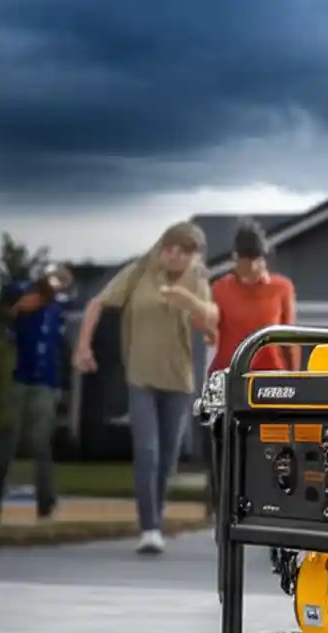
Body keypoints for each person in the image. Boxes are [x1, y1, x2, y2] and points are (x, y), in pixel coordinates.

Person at [73, 221, 217, 555]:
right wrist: (83, 347)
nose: (173, 255)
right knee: (147, 452)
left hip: (179, 382)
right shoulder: (139, 272)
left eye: (183, 252)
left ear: (193, 257)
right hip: (141, 378)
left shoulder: (197, 279)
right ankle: (149, 527)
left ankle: (157, 511)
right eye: (170, 248)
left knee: (167, 460)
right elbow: (97, 303)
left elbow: (207, 319)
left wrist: (187, 299)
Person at [204, 219, 298, 517]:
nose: (253, 268)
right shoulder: (219, 289)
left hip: (269, 378)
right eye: (247, 261)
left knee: (268, 448)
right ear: (235, 260)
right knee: (225, 446)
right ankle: (221, 510)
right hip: (230, 376)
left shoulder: (281, 288)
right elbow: (209, 330)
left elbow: (289, 335)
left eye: (258, 260)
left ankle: (270, 508)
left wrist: (296, 379)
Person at [0, 263, 75, 530]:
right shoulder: (24, 295)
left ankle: (46, 502)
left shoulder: (57, 311)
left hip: (43, 383)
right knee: (5, 445)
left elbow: (59, 347)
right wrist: (19, 306)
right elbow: (6, 306)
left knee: (41, 443)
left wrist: (62, 384)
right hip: (18, 379)